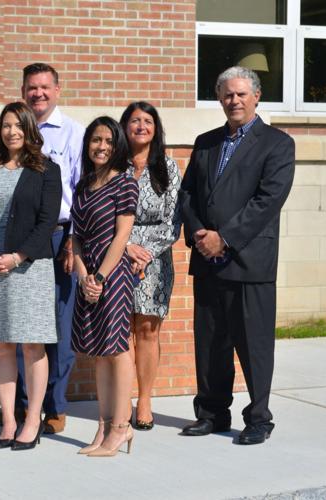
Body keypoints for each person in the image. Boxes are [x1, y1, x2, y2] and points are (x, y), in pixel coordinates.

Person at [179, 66, 294, 445]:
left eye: (242, 94)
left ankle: (258, 418)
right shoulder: (206, 141)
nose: (235, 101)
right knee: (210, 343)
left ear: (257, 96)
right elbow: (188, 194)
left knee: (254, 346)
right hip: (208, 261)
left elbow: (267, 201)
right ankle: (212, 413)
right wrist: (199, 234)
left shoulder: (277, 143)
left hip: (249, 263)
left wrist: (224, 238)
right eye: (228, 94)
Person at [0, 102, 61, 451]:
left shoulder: (47, 170)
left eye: (18, 125)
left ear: (29, 128)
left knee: (32, 345)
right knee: (2, 345)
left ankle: (32, 419)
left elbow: (47, 221)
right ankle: (8, 419)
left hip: (29, 267)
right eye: (6, 125)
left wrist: (17, 256)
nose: (11, 132)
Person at [5, 63, 84, 434]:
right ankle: (25, 408)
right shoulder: (13, 132)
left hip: (59, 238)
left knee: (58, 326)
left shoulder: (74, 134)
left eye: (44, 87)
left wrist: (73, 241)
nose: (38, 93)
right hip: (19, 241)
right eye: (31, 88)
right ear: (23, 91)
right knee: (23, 326)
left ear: (57, 89)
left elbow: (82, 193)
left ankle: (55, 406)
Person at [71, 116, 138, 457]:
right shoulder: (83, 185)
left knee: (118, 350)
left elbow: (121, 236)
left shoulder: (125, 183)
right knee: (98, 353)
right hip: (89, 278)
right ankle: (102, 426)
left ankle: (121, 427)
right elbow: (77, 240)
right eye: (96, 140)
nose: (101, 147)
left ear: (117, 147)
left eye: (109, 142)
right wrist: (84, 277)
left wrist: (99, 278)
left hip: (114, 277)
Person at [119, 102, 182, 430]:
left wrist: (145, 253)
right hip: (117, 254)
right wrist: (125, 248)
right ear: (124, 126)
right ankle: (121, 399)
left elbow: (173, 219)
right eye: (134, 121)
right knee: (119, 329)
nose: (141, 126)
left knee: (146, 328)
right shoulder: (114, 166)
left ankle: (144, 399)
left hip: (155, 261)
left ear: (155, 128)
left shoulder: (167, 168)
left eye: (147, 121)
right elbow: (104, 212)